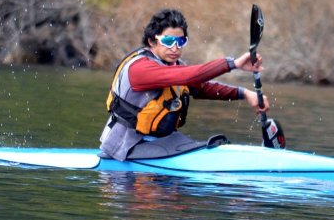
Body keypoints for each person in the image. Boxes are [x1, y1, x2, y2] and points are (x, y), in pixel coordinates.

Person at [100, 8, 268, 161]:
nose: (175, 48)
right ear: (152, 41)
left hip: (161, 142)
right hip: (127, 147)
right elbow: (191, 75)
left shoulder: (173, 65)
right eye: (168, 41)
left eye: (180, 42)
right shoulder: (140, 69)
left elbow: (202, 86)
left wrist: (245, 93)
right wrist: (233, 64)